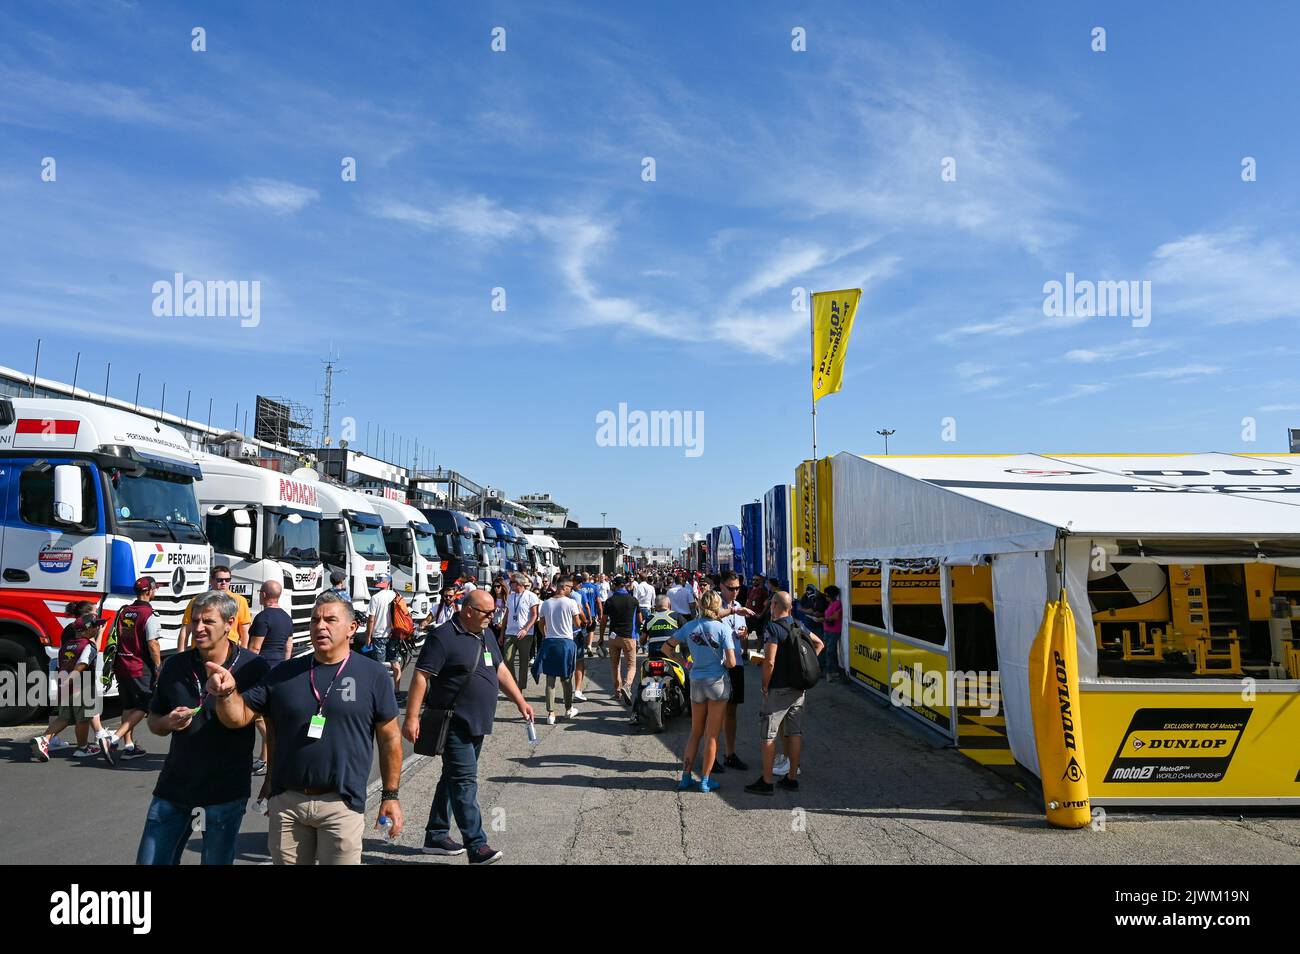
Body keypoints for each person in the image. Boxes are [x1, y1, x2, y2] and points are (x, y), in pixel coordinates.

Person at [207, 591, 404, 865]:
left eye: (330, 620)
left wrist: (390, 796)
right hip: (288, 803)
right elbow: (237, 718)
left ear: (351, 628)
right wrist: (226, 693)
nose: (320, 626)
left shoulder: (373, 675)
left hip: (341, 804)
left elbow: (390, 739)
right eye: (315, 620)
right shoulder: (284, 673)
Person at [137, 590, 273, 864]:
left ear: (229, 623)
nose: (198, 628)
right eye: (195, 620)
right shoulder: (175, 665)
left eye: (207, 621)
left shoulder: (252, 667)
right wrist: (167, 722)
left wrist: (272, 779)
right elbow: (154, 721)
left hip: (224, 792)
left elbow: (256, 723)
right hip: (174, 787)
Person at [404, 588, 534, 864]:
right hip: (454, 722)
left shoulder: (485, 633)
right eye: (487, 612)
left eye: (493, 612)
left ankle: (436, 835)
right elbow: (421, 676)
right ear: (467, 611)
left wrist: (520, 700)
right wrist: (412, 717)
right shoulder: (443, 636)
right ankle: (477, 845)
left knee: (451, 778)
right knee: (464, 782)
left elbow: (499, 669)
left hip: (478, 722)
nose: (492, 616)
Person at [746, 592, 823, 795]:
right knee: (794, 732)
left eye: (771, 603)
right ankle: (791, 778)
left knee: (768, 735)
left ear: (775, 605)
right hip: (799, 687)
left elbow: (769, 661)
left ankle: (767, 780)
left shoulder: (773, 627)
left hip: (779, 688)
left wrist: (764, 685)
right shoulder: (798, 624)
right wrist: (804, 666)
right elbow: (818, 644)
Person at [663, 591, 735, 792]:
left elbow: (666, 648)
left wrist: (685, 663)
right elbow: (731, 662)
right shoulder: (722, 629)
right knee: (712, 735)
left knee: (695, 733)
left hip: (696, 680)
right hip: (717, 682)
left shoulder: (689, 627)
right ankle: (705, 779)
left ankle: (685, 777)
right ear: (717, 607)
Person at [30, 611, 115, 766]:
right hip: (81, 687)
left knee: (64, 718)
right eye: (96, 626)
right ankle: (83, 747)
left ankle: (43, 739)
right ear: (89, 629)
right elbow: (82, 663)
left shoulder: (66, 646)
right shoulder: (88, 646)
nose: (98, 628)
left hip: (65, 688)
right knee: (83, 719)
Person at [111, 577, 163, 760]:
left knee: (128, 705)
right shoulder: (148, 614)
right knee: (147, 703)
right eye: (155, 589)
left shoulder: (124, 611)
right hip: (139, 667)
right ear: (149, 591)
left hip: (121, 665)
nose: (155, 592)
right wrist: (158, 667)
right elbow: (153, 644)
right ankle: (114, 737)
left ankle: (129, 746)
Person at [248, 579, 294, 775]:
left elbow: (254, 648)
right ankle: (267, 756)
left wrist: (244, 669)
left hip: (261, 670)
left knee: (258, 715)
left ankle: (268, 757)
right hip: (279, 670)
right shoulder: (286, 617)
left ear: (264, 595)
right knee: (267, 716)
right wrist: (284, 667)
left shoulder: (262, 618)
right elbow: (288, 646)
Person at [714, 571, 754, 774]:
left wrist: (744, 633)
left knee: (731, 711)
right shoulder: (714, 603)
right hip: (717, 665)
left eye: (738, 588)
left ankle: (730, 754)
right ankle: (711, 757)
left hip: (735, 663)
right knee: (713, 713)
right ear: (721, 586)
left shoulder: (739, 606)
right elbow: (710, 616)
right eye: (731, 588)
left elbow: (742, 630)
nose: (735, 592)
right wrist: (731, 612)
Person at [535, 575, 582, 723]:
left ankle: (551, 714)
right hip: (565, 642)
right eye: (569, 587)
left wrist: (547, 634)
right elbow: (577, 623)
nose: (571, 589)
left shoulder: (546, 603)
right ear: (563, 587)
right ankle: (568, 709)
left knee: (550, 680)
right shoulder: (571, 602)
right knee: (566, 678)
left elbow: (540, 625)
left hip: (550, 642)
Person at [180, 566, 252, 649]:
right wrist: (181, 655)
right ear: (211, 580)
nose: (224, 583)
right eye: (219, 580)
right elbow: (185, 630)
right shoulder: (197, 600)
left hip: (228, 650)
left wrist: (244, 654)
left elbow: (245, 632)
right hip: (200, 650)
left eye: (227, 580)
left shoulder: (239, 601)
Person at [602, 576, 643, 706]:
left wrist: (601, 637)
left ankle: (617, 691)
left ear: (615, 586)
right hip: (628, 637)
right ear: (625, 585)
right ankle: (628, 684)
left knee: (615, 665)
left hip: (613, 637)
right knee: (631, 665)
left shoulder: (609, 601)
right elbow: (640, 620)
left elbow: (603, 621)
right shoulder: (633, 600)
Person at [503, 572, 541, 693]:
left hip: (525, 634)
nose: (510, 584)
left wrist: (525, 629)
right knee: (507, 659)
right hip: (510, 632)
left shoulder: (531, 596)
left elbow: (535, 615)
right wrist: (501, 633)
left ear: (518, 583)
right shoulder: (510, 597)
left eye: (512, 582)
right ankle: (513, 682)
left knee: (523, 662)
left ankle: (520, 686)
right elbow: (507, 615)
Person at [365, 573, 402, 695]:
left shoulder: (375, 598)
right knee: (395, 662)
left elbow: (371, 619)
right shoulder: (396, 596)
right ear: (389, 583)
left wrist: (368, 636)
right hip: (394, 634)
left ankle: (382, 692)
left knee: (379, 666)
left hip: (379, 635)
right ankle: (396, 690)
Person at [572, 573, 602, 696]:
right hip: (585, 616)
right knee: (590, 632)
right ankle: (589, 645)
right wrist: (598, 614)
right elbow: (593, 602)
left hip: (574, 621)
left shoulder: (576, 590)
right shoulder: (594, 587)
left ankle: (583, 647)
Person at [821, 585, 843, 681]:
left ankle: (829, 672)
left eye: (827, 596)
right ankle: (835, 671)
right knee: (831, 652)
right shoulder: (830, 604)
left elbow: (836, 616)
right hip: (827, 630)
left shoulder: (837, 604)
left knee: (830, 651)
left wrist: (824, 619)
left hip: (834, 631)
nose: (826, 597)